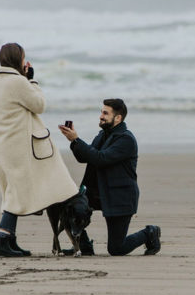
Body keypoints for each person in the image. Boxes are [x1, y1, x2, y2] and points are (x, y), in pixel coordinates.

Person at [0, 43, 79, 257]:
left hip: (1, 143)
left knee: (13, 189)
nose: (24, 62)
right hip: (18, 146)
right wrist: (32, 79)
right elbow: (39, 105)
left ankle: (8, 238)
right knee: (17, 191)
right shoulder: (18, 82)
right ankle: (2, 240)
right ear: (17, 60)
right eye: (23, 58)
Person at [58, 98, 161, 256]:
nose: (101, 116)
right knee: (67, 207)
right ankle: (84, 246)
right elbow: (85, 158)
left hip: (119, 197)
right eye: (101, 112)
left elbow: (101, 158)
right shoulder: (102, 135)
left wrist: (76, 140)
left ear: (118, 118)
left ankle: (150, 233)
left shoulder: (126, 139)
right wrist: (73, 141)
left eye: (105, 113)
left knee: (116, 249)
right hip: (96, 192)